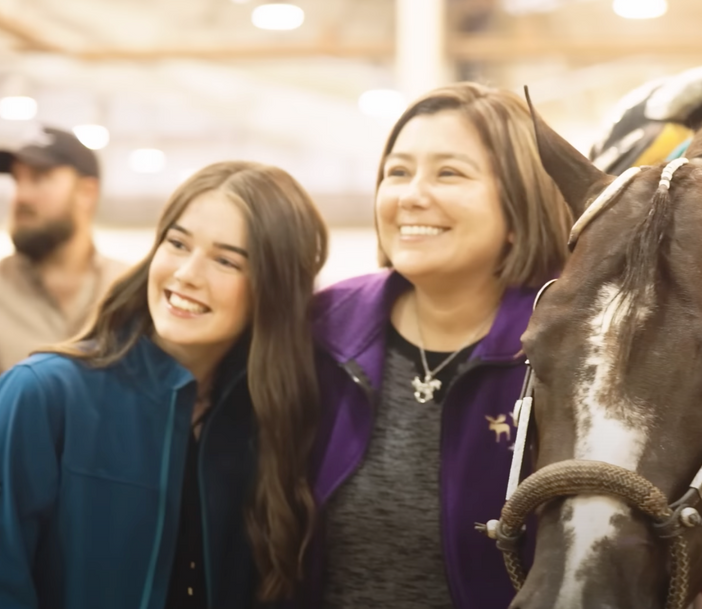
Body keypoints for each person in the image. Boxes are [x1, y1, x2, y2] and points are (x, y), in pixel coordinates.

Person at [0, 161, 329, 609]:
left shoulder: (269, 421)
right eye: (177, 243)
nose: (186, 274)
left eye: (226, 261)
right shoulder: (42, 395)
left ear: (273, 290)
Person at [307, 82, 572, 608]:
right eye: (397, 172)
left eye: (449, 173)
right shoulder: (325, 326)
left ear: (519, 208)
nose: (411, 195)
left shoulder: (567, 350)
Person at [0, 126, 129, 371]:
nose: (21, 196)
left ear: (86, 192)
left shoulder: (130, 290)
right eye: (18, 180)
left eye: (39, 178)